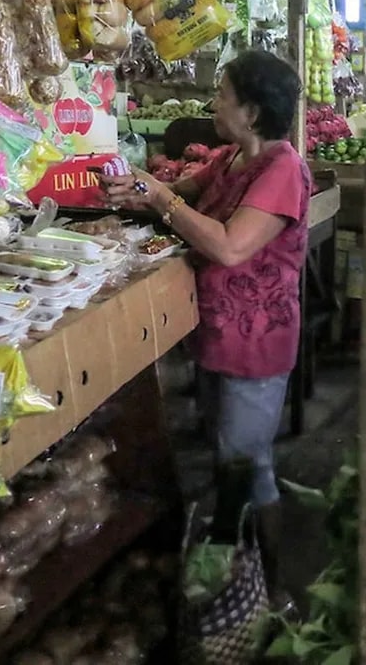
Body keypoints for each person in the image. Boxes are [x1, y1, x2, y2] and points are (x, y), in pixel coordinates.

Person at [100, 51, 310, 600]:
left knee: (248, 464)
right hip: (219, 333)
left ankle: (273, 586)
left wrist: (162, 199)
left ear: (254, 111)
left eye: (224, 94)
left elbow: (229, 245)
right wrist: (139, 186)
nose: (214, 103)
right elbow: (188, 197)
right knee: (227, 455)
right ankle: (241, 581)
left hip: (256, 339)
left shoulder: (283, 169)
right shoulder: (233, 159)